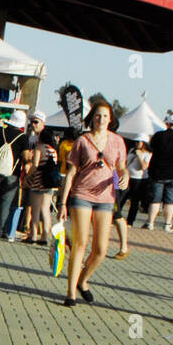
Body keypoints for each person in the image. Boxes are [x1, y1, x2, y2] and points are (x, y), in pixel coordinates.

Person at [59, 103, 127, 305]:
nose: (101, 119)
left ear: (110, 119)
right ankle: (71, 292)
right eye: (97, 116)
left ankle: (83, 280)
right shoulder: (82, 141)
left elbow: (121, 167)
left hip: (106, 198)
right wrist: (63, 202)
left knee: (100, 250)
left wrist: (124, 177)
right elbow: (70, 173)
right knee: (80, 244)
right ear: (92, 118)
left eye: (105, 116)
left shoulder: (117, 141)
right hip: (82, 194)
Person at [144, 112, 173, 231]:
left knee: (155, 199)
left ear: (167, 123)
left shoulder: (158, 136)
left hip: (157, 172)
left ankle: (150, 223)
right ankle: (168, 224)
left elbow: (151, 148)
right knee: (170, 200)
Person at [0, 107, 25, 239]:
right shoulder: (23, 137)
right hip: (12, 174)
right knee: (5, 203)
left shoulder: (0, 133)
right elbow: (25, 156)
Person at [21, 111, 58, 242]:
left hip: (38, 181)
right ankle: (45, 236)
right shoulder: (53, 150)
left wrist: (27, 177)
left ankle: (33, 234)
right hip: (49, 182)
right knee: (46, 209)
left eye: (36, 122)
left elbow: (35, 165)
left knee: (35, 209)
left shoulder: (39, 148)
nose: (33, 125)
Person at [112, 131, 151, 255]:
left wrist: (139, 155)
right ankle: (117, 215)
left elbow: (144, 167)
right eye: (136, 142)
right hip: (126, 177)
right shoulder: (130, 152)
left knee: (135, 201)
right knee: (121, 198)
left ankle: (130, 221)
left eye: (139, 142)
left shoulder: (147, 154)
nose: (137, 144)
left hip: (139, 179)